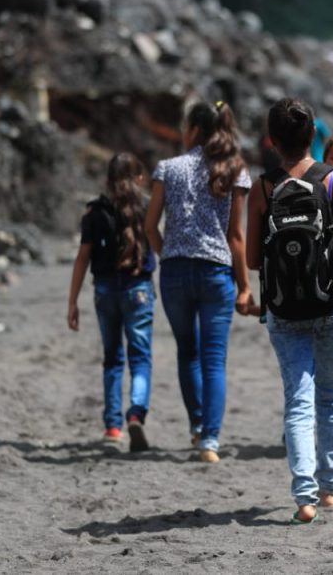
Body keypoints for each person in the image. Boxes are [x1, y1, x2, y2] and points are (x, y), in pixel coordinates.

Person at [246, 98, 333, 524]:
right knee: (330, 394)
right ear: (314, 135)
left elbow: (256, 261)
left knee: (298, 400)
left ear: (272, 141)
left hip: (283, 308)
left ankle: (304, 497)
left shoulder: (263, 188)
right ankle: (331, 487)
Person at [145, 101, 253, 463]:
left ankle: (196, 427)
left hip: (175, 270)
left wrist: (168, 254)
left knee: (186, 353)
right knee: (214, 359)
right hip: (216, 271)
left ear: (192, 129)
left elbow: (149, 226)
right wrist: (244, 285)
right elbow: (235, 235)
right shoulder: (234, 169)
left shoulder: (168, 168)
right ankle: (210, 440)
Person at [68, 153, 157, 453]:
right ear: (140, 178)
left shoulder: (94, 213)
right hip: (139, 290)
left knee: (112, 358)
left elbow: (82, 258)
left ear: (107, 180)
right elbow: (159, 246)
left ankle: (112, 426)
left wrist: (72, 302)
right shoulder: (146, 208)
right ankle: (136, 413)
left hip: (105, 291)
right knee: (141, 358)